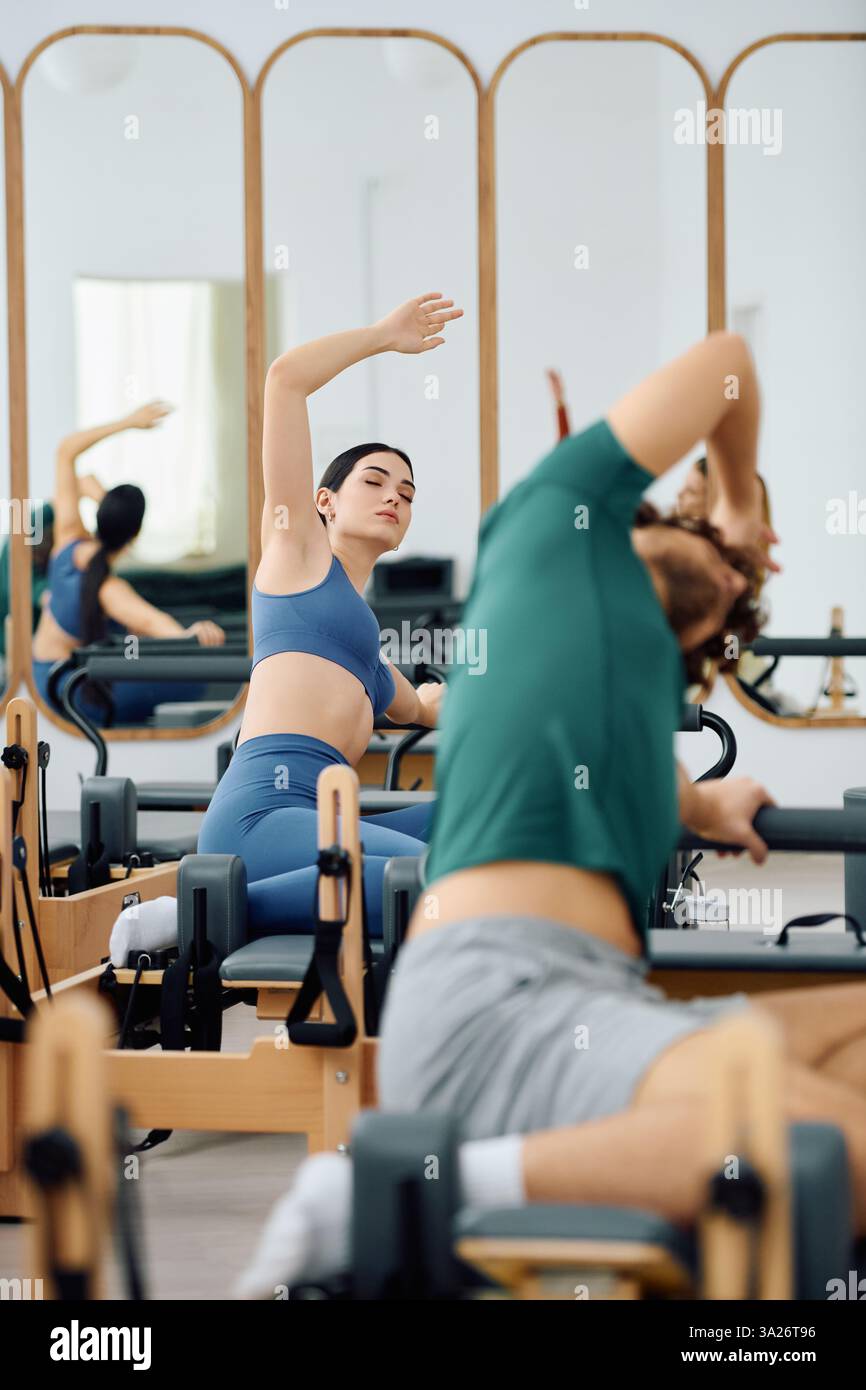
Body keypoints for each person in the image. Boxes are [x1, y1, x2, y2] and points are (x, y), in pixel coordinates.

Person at [235, 332, 866, 1295]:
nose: (738, 572)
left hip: (596, 994)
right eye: (717, 546)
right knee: (829, 1144)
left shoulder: (614, 690)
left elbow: (607, 763)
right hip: (490, 998)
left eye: (737, 596)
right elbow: (730, 362)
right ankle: (391, 1196)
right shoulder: (549, 531)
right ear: (645, 528)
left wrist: (706, 803)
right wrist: (741, 497)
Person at [197, 293, 463, 938]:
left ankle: (214, 909)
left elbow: (427, 707)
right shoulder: (297, 552)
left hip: (325, 817)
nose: (393, 497)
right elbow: (285, 381)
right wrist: (381, 336)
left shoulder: (367, 656)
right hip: (262, 816)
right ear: (325, 503)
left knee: (480, 827)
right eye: (374, 481)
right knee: (443, 889)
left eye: (405, 492)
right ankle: (195, 914)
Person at [32, 402, 225, 725]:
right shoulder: (111, 591)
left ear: (100, 512)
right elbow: (156, 624)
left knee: (131, 642)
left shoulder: (67, 539)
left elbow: (66, 451)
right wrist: (191, 633)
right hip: (67, 691)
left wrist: (128, 422)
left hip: (42, 676)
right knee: (196, 680)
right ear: (134, 536)